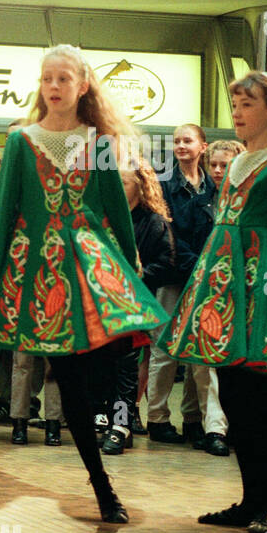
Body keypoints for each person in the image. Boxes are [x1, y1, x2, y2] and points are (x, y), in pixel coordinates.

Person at [0, 44, 168, 523]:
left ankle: (106, 449)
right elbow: (5, 209)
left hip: (89, 265)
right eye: (47, 78)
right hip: (42, 272)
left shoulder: (100, 142)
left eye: (63, 78)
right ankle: (102, 486)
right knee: (68, 378)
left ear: (82, 85)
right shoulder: (21, 142)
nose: (54, 86)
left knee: (95, 368)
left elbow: (116, 209)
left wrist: (130, 265)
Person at [163, 72, 267, 533]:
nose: (237, 113)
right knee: (232, 394)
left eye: (247, 104)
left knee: (261, 403)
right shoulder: (236, 162)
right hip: (224, 287)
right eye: (234, 104)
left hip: (258, 293)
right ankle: (250, 500)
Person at [147, 123, 227, 454]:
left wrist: (208, 269)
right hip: (172, 274)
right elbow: (166, 231)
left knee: (201, 352)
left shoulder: (215, 186)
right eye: (177, 141)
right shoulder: (163, 185)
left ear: (202, 146)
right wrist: (195, 264)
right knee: (164, 350)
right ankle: (157, 419)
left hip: (206, 278)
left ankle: (198, 422)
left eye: (187, 140)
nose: (181, 145)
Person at [101, 157, 177, 454]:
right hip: (106, 304)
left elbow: (167, 263)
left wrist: (136, 275)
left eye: (123, 182)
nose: (118, 188)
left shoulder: (154, 222)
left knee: (125, 369)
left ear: (140, 186)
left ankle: (121, 426)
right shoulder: (106, 218)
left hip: (134, 305)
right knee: (106, 369)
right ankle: (110, 421)